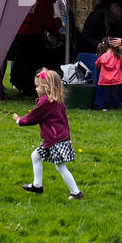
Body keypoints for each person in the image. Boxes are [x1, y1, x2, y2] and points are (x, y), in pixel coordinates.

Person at [13, 69, 82, 200]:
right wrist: (68, 137)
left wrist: (19, 121)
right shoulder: (57, 100)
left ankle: (76, 193)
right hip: (56, 138)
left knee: (60, 167)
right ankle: (37, 185)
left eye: (38, 86)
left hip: (55, 140)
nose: (36, 89)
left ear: (47, 87)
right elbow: (65, 121)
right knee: (35, 156)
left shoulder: (45, 101)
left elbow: (34, 116)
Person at [11, 0, 61, 96]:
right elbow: (49, 23)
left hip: (21, 34)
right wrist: (59, 36)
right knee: (35, 64)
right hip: (34, 35)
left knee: (23, 62)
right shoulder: (46, 1)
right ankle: (31, 88)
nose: (53, 3)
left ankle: (22, 85)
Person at [94, 38, 122, 111]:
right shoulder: (118, 55)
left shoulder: (103, 56)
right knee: (115, 95)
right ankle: (116, 107)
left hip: (105, 79)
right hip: (116, 78)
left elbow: (97, 64)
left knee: (106, 95)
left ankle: (105, 108)